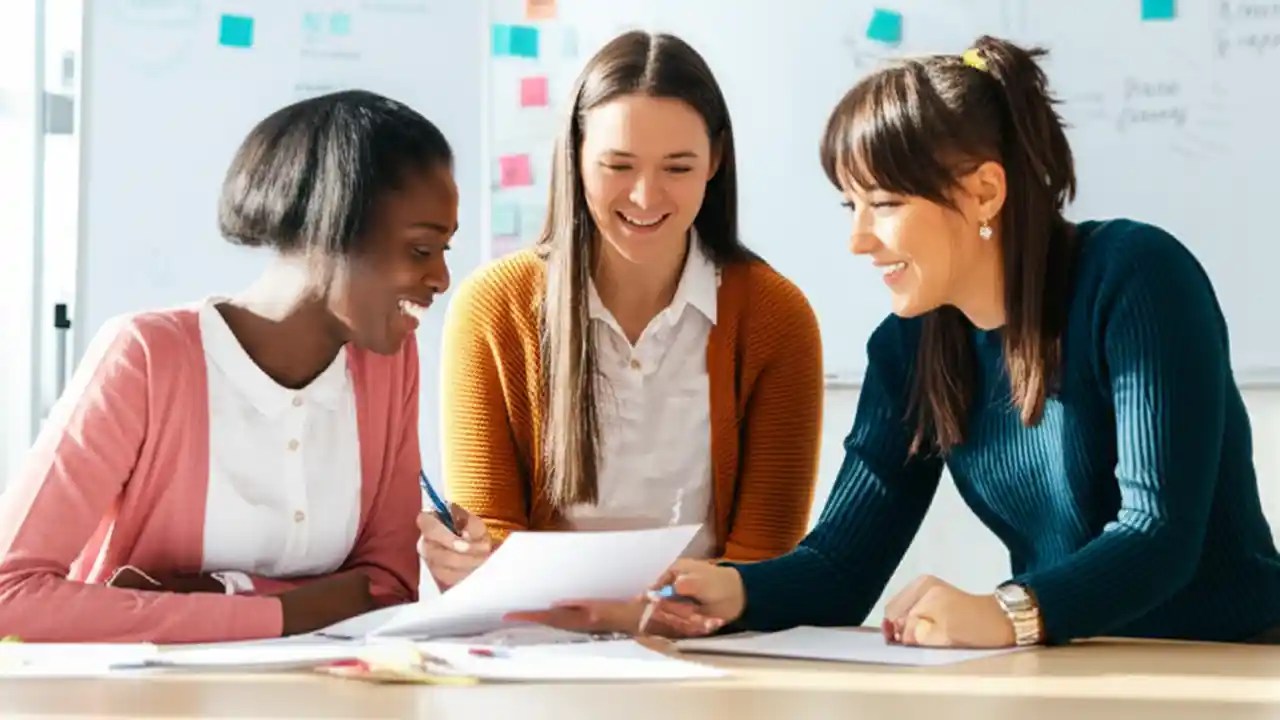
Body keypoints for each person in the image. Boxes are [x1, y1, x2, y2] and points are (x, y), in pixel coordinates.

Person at [644, 35, 1280, 647]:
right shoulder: (906, 349)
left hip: (1232, 664)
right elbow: (841, 568)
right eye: (850, 206)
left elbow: (1159, 534)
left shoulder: (1135, 275)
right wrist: (736, 591)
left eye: (885, 204)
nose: (859, 241)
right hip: (1073, 671)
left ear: (984, 192)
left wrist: (1010, 612)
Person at [0, 90, 457, 643]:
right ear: (330, 225)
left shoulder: (387, 364)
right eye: (419, 250)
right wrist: (291, 613)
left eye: (445, 251)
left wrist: (210, 592)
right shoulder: (148, 358)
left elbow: (384, 591)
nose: (441, 279)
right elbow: (11, 595)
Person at [417, 31, 824, 628]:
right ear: (576, 155)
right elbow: (492, 550)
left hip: (714, 648)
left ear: (715, 161)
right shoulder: (494, 307)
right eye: (618, 165)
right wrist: (614, 616)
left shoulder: (776, 317)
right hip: (536, 652)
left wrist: (655, 614)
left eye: (678, 167)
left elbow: (763, 560)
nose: (644, 195)